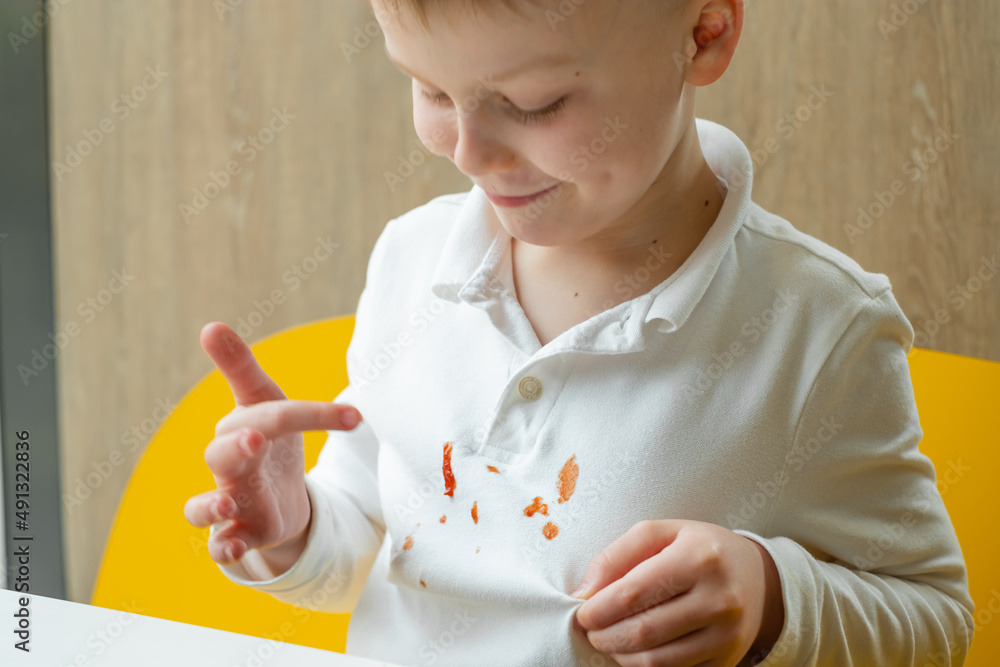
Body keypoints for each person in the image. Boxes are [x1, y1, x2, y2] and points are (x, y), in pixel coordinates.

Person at [184, 1, 975, 665]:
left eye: (533, 103)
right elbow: (372, 541)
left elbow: (936, 617)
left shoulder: (818, 328)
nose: (469, 153)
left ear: (705, 33)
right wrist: (293, 525)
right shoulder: (412, 259)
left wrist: (772, 598)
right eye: (430, 90)